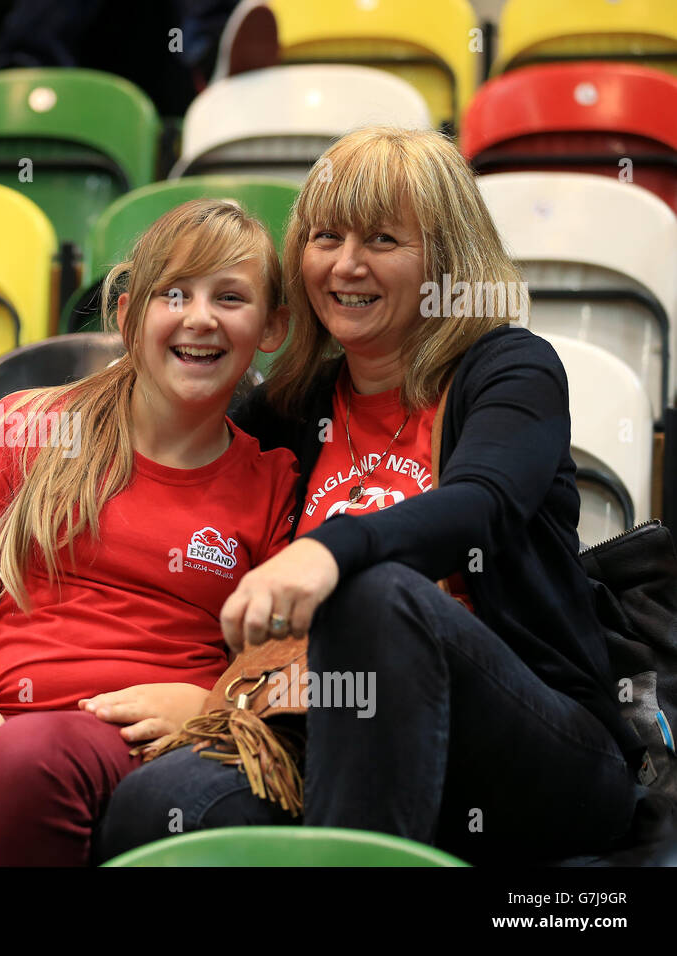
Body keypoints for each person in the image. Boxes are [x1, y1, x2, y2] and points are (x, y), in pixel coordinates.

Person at [99, 126, 644, 865]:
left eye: (382, 240)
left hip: (540, 749)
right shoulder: (294, 408)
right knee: (156, 808)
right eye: (326, 236)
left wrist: (330, 549)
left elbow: (481, 504)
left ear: (444, 260)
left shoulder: (510, 370)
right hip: (327, 726)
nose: (345, 264)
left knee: (375, 593)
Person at [0, 199, 299, 865]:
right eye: (175, 293)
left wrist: (208, 703)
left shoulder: (277, 479)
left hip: (150, 743)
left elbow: (276, 661)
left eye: (231, 297)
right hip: (0, 721)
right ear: (128, 315)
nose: (200, 317)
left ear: (272, 326)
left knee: (33, 757)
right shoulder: (28, 425)